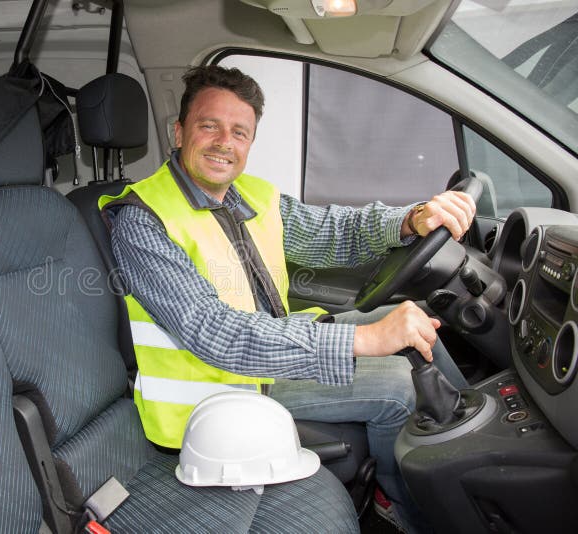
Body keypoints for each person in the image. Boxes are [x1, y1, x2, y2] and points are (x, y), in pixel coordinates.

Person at [99, 65, 475, 533]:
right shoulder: (142, 219)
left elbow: (333, 233)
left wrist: (412, 219)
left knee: (414, 319)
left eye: (240, 132)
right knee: (398, 387)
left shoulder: (249, 196)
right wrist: (361, 340)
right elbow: (213, 332)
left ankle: (471, 444)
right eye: (208, 126)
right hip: (222, 394)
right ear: (178, 132)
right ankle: (401, 511)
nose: (224, 142)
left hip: (265, 361)